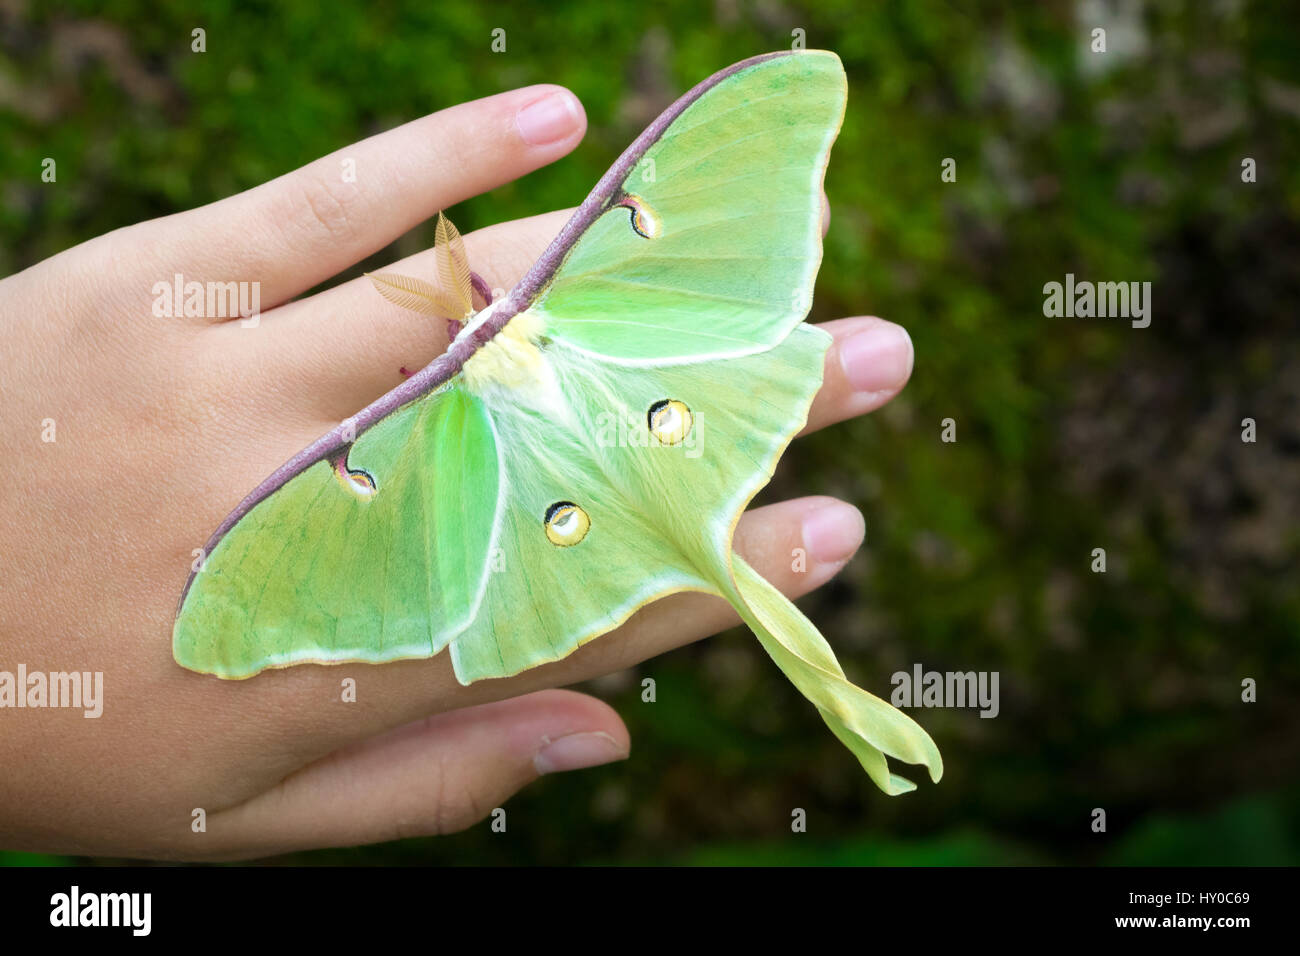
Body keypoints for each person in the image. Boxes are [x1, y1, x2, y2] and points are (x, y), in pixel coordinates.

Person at [0, 84, 914, 860]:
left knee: (740, 587)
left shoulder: (408, 416)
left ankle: (862, 727)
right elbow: (238, 605)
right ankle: (865, 726)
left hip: (559, 514)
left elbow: (774, 108)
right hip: (667, 417)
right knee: (746, 590)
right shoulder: (445, 393)